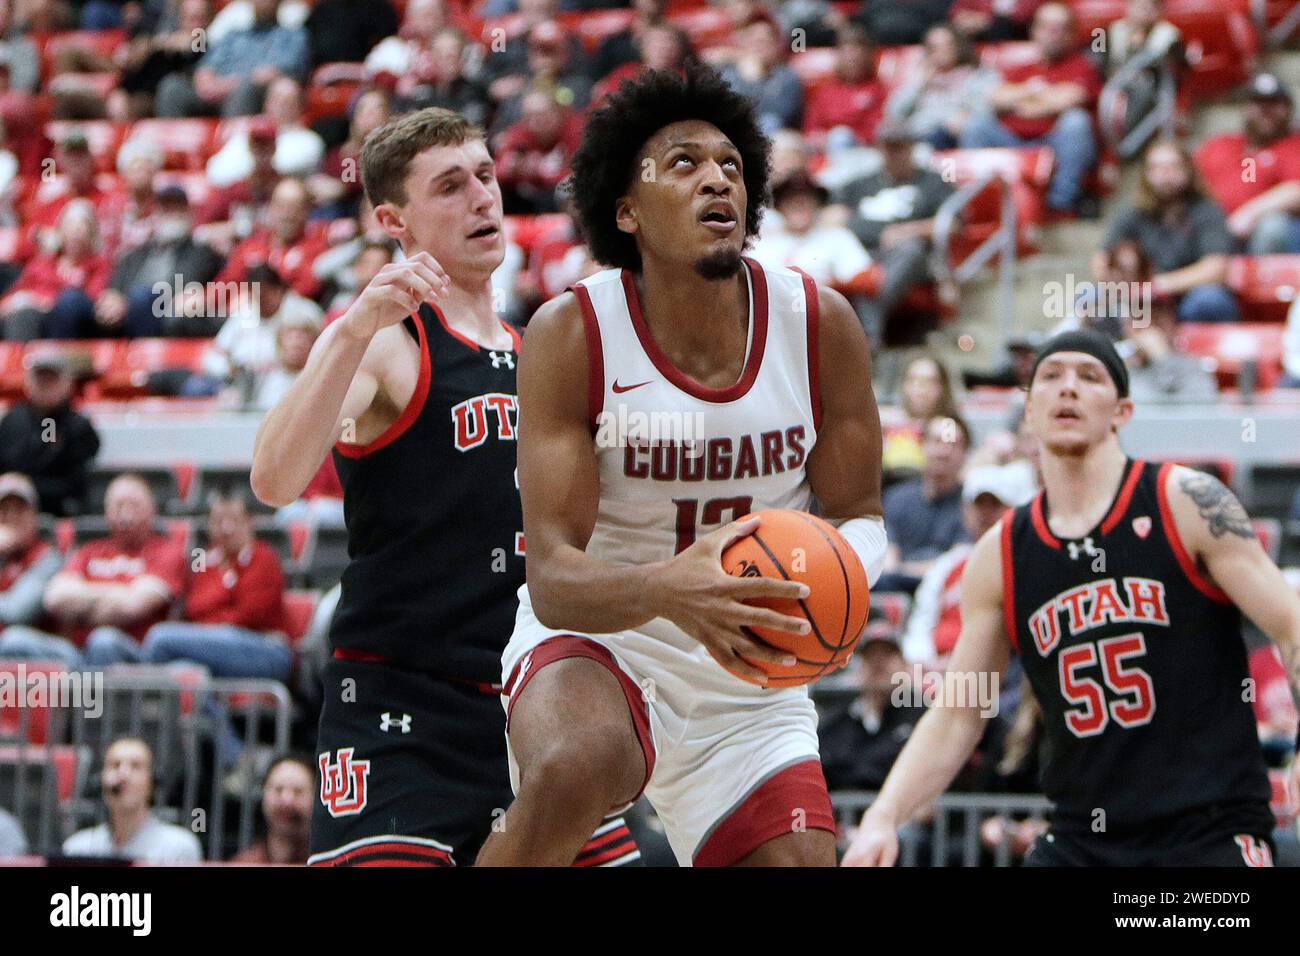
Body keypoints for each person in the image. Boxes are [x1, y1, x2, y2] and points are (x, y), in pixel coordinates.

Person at [475, 62, 889, 868]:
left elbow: (860, 517)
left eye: (732, 166)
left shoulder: (819, 324)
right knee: (571, 768)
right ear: (625, 210)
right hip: (605, 639)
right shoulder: (572, 334)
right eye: (684, 163)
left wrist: (835, 578)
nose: (716, 181)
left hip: (751, 673)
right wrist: (674, 588)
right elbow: (554, 577)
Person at [251, 107, 634, 867]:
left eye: (486, 177)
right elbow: (273, 478)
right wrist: (352, 330)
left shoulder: (542, 355)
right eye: (451, 186)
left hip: (534, 709)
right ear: (395, 219)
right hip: (400, 708)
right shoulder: (384, 340)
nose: (483, 198)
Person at [844, 329, 1300, 867]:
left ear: (1122, 410)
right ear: (1029, 411)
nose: (1068, 389)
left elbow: (1292, 629)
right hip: (1083, 840)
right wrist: (883, 815)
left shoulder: (1185, 501)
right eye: (1052, 376)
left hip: (1208, 834)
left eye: (1089, 376)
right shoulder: (1002, 553)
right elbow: (959, 710)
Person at [959, 2, 1102, 214]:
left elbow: (1069, 98)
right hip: (1012, 139)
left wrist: (1020, 99)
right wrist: (1039, 94)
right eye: (1046, 26)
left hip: (1053, 141)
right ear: (1034, 30)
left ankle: (1060, 204)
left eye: (1060, 28)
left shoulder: (1082, 65)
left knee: (1076, 122)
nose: (1052, 34)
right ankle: (977, 202)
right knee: (976, 125)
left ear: (1071, 34)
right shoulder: (1020, 68)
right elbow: (996, 97)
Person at [141, 489, 289, 680]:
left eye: (234, 520)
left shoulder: (265, 555)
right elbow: (192, 606)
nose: (226, 528)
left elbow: (251, 615)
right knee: (184, 670)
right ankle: (210, 710)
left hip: (263, 647)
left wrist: (212, 610)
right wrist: (228, 594)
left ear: (249, 522)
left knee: (160, 639)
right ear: (208, 525)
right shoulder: (200, 557)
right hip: (209, 644)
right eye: (218, 521)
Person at [42, 474, 187, 667]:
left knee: (103, 640)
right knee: (16, 640)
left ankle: (93, 697)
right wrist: (119, 592)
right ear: (106, 512)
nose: (125, 515)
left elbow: (134, 606)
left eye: (134, 506)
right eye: (118, 507)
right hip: (75, 653)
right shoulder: (89, 551)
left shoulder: (167, 552)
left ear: (152, 510)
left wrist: (82, 605)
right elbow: (55, 597)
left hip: (136, 656)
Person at [833, 118, 956, 345]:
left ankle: (867, 331)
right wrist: (881, 233)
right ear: (879, 149)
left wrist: (907, 230)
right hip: (863, 253)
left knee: (911, 251)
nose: (895, 153)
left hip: (909, 258)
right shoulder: (861, 183)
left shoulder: (931, 181)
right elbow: (833, 216)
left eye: (900, 146)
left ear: (911, 147)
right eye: (889, 147)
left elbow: (952, 222)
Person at [901, 463, 1036, 667]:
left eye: (995, 505)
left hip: (1000, 671)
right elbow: (921, 624)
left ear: (1012, 509)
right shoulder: (948, 564)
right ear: (965, 511)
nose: (985, 513)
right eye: (978, 505)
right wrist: (926, 662)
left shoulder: (1024, 562)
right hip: (938, 671)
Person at [1096, 137, 1237, 324]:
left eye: (1173, 167)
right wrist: (1123, 284)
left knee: (1210, 299)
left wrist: (1159, 286)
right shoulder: (1133, 212)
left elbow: (1216, 268)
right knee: (1091, 295)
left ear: (1188, 171)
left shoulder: (1207, 211)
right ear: (1146, 174)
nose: (1165, 175)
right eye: (1157, 168)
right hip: (1141, 298)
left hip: (1188, 296)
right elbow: (1101, 261)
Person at [1195, 73, 1300, 256]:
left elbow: (1296, 190)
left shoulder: (1294, 145)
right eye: (1259, 104)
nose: (1266, 111)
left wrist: (1249, 213)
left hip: (1266, 237)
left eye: (1274, 104)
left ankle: (1265, 282)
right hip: (1215, 233)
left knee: (1273, 226)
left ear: (1288, 109)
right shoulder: (1220, 144)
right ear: (1245, 108)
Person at [62, 737, 203, 863]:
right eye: (115, 765)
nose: (123, 775)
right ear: (100, 781)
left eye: (135, 766)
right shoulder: (77, 848)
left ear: (152, 782)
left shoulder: (179, 847)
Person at [818, 628, 925, 791]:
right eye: (870, 656)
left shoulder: (922, 714)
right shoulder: (836, 722)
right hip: (846, 814)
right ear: (859, 667)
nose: (878, 663)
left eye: (887, 656)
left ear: (904, 665)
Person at [0, 350, 100, 516]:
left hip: (59, 512)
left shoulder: (78, 426)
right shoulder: (12, 421)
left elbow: (76, 482)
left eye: (51, 379)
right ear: (28, 382)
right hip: (10, 509)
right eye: (40, 378)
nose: (45, 385)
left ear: (67, 383)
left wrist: (31, 486)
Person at [878, 414, 970, 594]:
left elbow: (959, 564)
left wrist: (905, 570)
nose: (944, 452)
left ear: (965, 453)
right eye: (937, 441)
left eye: (952, 444)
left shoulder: (972, 503)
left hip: (947, 592)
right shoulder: (897, 497)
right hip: (895, 589)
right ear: (922, 445)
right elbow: (888, 560)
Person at [884, 23, 998, 149]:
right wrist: (921, 85)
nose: (941, 51)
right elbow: (893, 113)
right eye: (934, 47)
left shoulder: (978, 74)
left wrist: (961, 116)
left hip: (954, 136)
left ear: (959, 47)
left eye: (947, 45)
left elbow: (986, 109)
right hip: (917, 138)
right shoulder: (919, 79)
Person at [801, 23, 887, 152]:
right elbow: (811, 127)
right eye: (847, 52)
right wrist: (818, 137)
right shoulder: (826, 90)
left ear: (868, 56)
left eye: (857, 52)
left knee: (841, 137)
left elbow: (876, 132)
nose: (852, 58)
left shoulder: (877, 90)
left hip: (861, 151)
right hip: (824, 148)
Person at [0, 472, 64, 643]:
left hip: (44, 655)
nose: (11, 517)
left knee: (13, 639)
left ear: (34, 516)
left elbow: (16, 611)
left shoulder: (48, 557)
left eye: (19, 510)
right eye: (4, 511)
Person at [229, 753, 313, 863]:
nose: (287, 801)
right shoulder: (244, 863)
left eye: (298, 791)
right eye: (278, 790)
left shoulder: (328, 863)